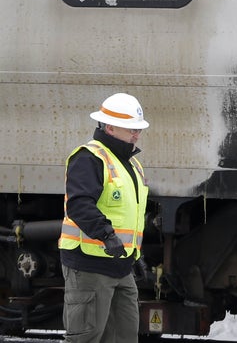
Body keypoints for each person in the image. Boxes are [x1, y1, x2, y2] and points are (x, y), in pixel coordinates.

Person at [58, 92, 150, 343]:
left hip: (121, 266)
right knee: (86, 337)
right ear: (109, 127)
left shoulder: (132, 164)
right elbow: (79, 205)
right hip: (89, 265)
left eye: (138, 129)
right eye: (131, 128)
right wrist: (107, 235)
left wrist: (135, 256)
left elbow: (130, 217)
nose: (136, 134)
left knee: (125, 336)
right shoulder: (89, 157)